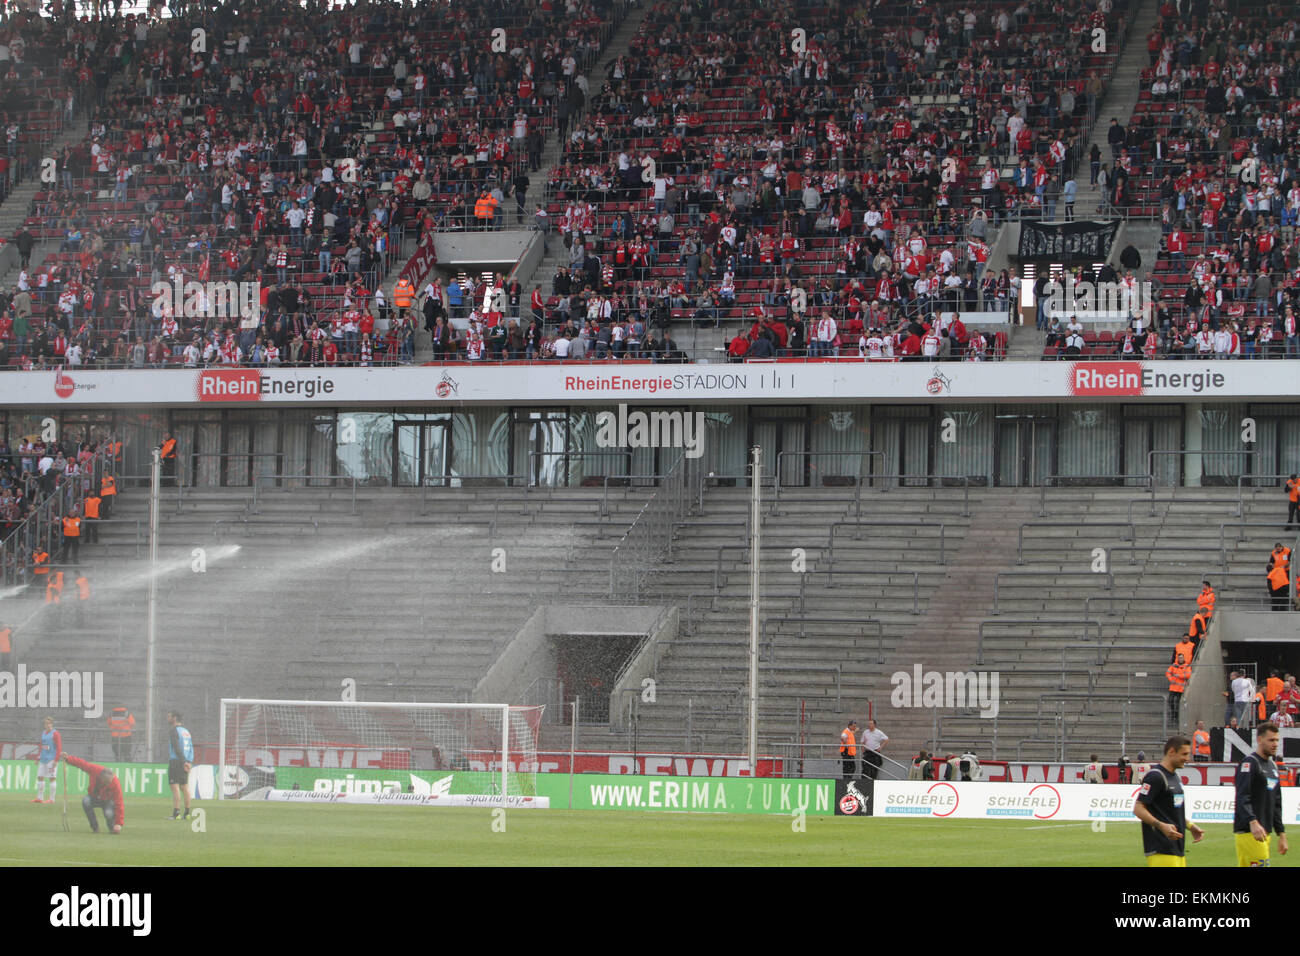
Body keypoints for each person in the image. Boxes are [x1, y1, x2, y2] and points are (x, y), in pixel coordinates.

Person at [1133, 735, 1204, 867]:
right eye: (1184, 754)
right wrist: (1161, 826)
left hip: (1176, 848)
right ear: (1171, 752)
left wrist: (1190, 826)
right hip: (1161, 847)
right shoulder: (1155, 777)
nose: (1187, 759)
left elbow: (1172, 810)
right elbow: (1138, 808)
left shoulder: (1175, 777)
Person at [1233, 722, 1289, 867]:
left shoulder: (1273, 766)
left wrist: (1281, 834)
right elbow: (1242, 796)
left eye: (1277, 740)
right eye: (1271, 740)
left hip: (1265, 832)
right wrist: (1253, 821)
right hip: (1249, 832)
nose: (1275, 744)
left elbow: (1276, 803)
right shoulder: (1250, 763)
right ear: (1259, 740)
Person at [63, 752, 124, 834]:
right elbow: (82, 764)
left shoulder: (115, 783)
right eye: (106, 783)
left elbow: (119, 803)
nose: (109, 784)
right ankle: (95, 828)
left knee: (108, 813)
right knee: (86, 801)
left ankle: (112, 828)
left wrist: (118, 823)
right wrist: (68, 759)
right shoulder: (94, 769)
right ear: (101, 778)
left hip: (107, 800)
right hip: (94, 796)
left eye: (110, 782)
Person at [167, 710, 194, 820]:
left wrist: (183, 761)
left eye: (169, 716)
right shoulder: (186, 732)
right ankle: (187, 813)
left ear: (174, 718)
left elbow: (176, 747)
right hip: (186, 761)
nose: (167, 718)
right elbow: (191, 748)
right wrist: (188, 762)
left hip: (177, 761)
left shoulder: (174, 731)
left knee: (175, 787)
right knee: (185, 787)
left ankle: (176, 813)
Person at [32, 716, 61, 804]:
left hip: (51, 759)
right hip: (43, 759)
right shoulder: (44, 733)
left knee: (52, 778)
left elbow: (59, 747)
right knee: (40, 777)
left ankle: (52, 799)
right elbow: (42, 746)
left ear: (51, 724)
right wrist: (38, 757)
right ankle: (39, 798)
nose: (47, 725)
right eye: (45, 723)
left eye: (49, 723)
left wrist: (56, 760)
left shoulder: (55, 733)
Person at [1166, 653, 1190, 724]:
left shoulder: (1186, 666)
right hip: (1173, 687)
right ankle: (1173, 713)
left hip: (1181, 688)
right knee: (1170, 701)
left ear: (1184, 658)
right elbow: (1168, 673)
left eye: (1181, 658)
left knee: (1178, 703)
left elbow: (1188, 675)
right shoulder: (1174, 665)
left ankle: (1177, 716)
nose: (1180, 659)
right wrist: (1171, 679)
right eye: (1179, 658)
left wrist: (1178, 675)